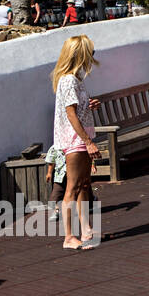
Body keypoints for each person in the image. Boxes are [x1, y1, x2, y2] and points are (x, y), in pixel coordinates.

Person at [50, 34, 101, 249]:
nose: (92, 56)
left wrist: (88, 106)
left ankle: (85, 228)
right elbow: (70, 114)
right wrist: (88, 141)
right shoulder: (69, 80)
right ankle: (69, 236)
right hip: (75, 139)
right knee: (72, 187)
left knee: (82, 184)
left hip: (77, 136)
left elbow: (74, 110)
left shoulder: (72, 79)